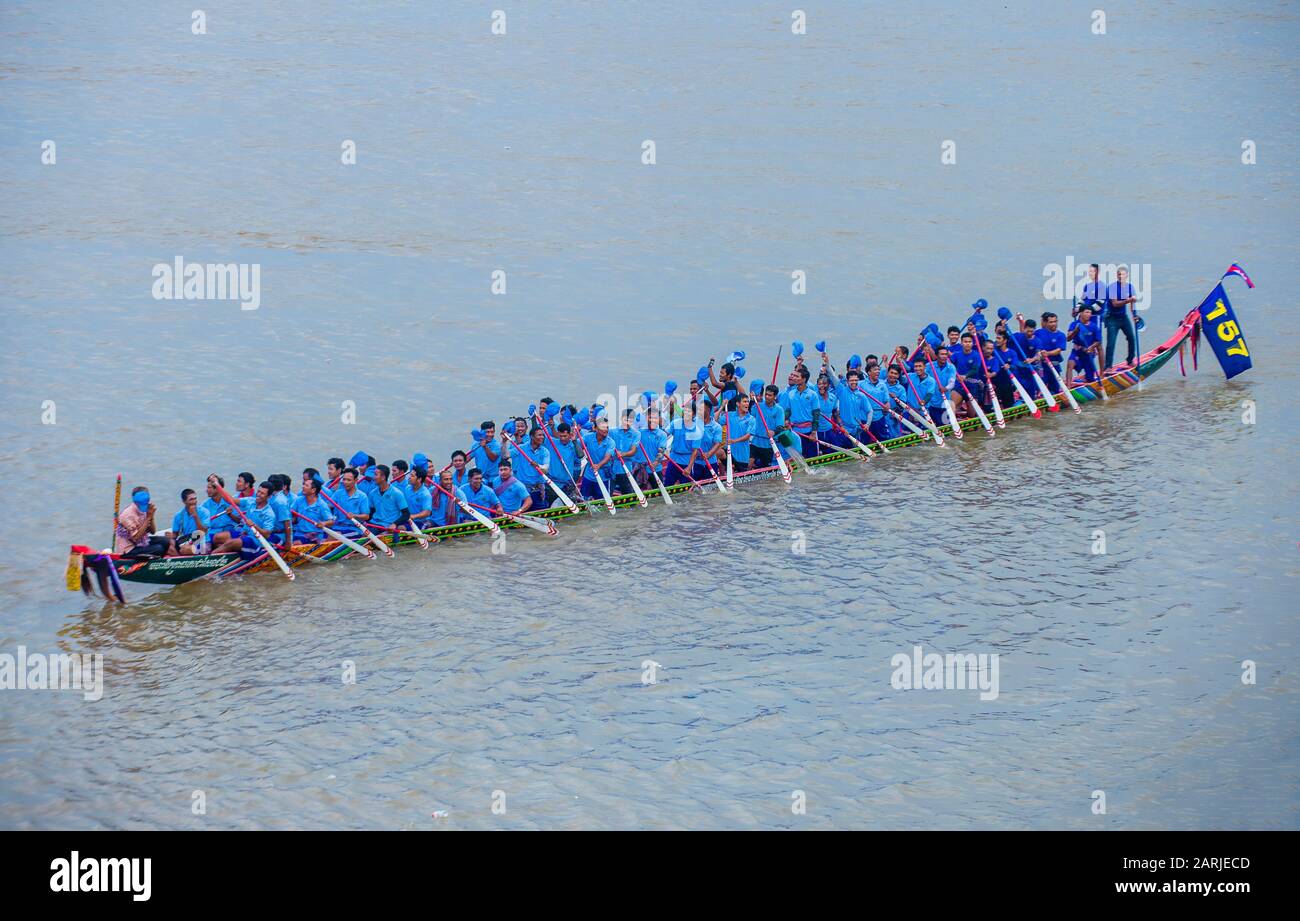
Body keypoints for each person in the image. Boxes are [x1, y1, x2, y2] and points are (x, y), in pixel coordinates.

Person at [113, 486, 168, 557]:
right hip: (129, 549)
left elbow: (153, 531)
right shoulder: (127, 515)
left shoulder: (145, 508)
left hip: (143, 541)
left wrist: (151, 516)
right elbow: (135, 538)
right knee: (159, 549)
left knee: (165, 541)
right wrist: (148, 518)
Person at [507, 425, 551, 510]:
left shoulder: (545, 451)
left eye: (543, 435)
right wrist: (504, 441)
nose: (542, 437)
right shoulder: (521, 448)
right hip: (523, 488)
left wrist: (537, 466)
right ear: (532, 437)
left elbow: (545, 469)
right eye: (539, 435)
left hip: (537, 488)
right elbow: (505, 455)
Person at [1103, 266, 1138, 370]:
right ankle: (1108, 366)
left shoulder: (1130, 287)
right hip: (1112, 318)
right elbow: (1115, 304)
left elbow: (1132, 303)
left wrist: (1134, 316)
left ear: (1126, 275)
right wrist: (1128, 300)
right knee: (1111, 342)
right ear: (1116, 276)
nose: (1121, 276)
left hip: (1123, 317)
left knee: (1131, 338)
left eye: (1123, 274)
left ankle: (1130, 360)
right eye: (1119, 274)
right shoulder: (1112, 287)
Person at [779, 366, 818, 457]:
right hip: (795, 431)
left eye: (797, 377)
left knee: (811, 458)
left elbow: (816, 415)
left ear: (804, 379)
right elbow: (788, 411)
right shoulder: (791, 394)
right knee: (797, 457)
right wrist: (784, 421)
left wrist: (813, 432)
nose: (794, 378)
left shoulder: (813, 394)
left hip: (809, 431)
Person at [580, 415, 617, 499]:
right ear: (595, 428)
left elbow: (607, 457)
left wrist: (598, 465)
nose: (606, 430)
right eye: (603, 427)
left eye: (607, 427)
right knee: (584, 499)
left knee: (602, 501)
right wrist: (574, 440)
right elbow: (578, 447)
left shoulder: (611, 442)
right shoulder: (588, 437)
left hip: (603, 475)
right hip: (589, 474)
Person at [290, 475, 336, 543]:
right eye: (303, 484)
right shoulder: (298, 500)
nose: (303, 487)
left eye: (306, 485)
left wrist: (323, 523)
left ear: (313, 490)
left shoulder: (321, 504)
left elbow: (331, 521)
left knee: (297, 544)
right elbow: (291, 514)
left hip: (314, 535)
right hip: (299, 533)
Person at [749, 384, 785, 470]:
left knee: (765, 468)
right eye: (766, 394)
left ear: (775, 397)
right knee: (749, 465)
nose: (767, 397)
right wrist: (752, 400)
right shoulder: (758, 405)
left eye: (770, 395)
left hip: (768, 445)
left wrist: (774, 432)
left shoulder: (779, 410)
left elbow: (780, 427)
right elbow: (749, 413)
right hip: (755, 442)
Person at [1066, 303, 1103, 383]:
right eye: (1086, 312)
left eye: (1090, 313)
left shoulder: (1094, 326)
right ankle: (1067, 389)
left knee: (1090, 378)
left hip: (1088, 353)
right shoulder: (1074, 324)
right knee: (1070, 364)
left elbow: (1098, 341)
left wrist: (1092, 347)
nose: (1088, 315)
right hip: (1077, 352)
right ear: (1081, 313)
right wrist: (1075, 331)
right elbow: (1068, 338)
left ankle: (1091, 378)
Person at [167, 488, 210, 555]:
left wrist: (195, 516)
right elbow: (175, 535)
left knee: (186, 550)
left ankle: (182, 558)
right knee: (168, 546)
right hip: (186, 542)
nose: (194, 501)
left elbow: (203, 531)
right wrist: (169, 537)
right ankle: (179, 561)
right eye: (191, 499)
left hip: (203, 542)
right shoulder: (178, 515)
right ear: (184, 501)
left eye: (195, 498)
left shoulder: (204, 512)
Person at [1033, 312, 1068, 392]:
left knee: (1055, 389)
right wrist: (1021, 322)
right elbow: (1028, 336)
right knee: (1038, 387)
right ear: (1046, 323)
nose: (1054, 324)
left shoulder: (1061, 335)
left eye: (1055, 321)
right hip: (1042, 366)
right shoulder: (1039, 332)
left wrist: (1048, 353)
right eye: (1051, 322)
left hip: (1054, 366)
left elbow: (1059, 350)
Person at [367, 465, 410, 531]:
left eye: (376, 475)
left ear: (383, 477)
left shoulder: (397, 493)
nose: (373, 477)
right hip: (374, 524)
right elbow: (371, 512)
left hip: (388, 526)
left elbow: (406, 514)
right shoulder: (372, 493)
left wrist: (395, 524)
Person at [330, 467, 371, 534]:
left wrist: (354, 516)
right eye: (344, 479)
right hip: (337, 527)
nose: (345, 482)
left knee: (332, 537)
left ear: (356, 480)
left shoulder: (362, 496)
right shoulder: (338, 493)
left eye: (349, 480)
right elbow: (329, 506)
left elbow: (366, 516)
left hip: (354, 529)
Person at [611, 409, 642, 495]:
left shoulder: (636, 434)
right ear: (621, 418)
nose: (628, 423)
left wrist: (623, 454)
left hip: (626, 468)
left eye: (630, 421)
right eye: (626, 420)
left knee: (627, 494)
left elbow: (633, 451)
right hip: (611, 468)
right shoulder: (612, 432)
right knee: (608, 492)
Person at [723, 393, 756, 472]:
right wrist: (722, 406)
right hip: (729, 453)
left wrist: (734, 441)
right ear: (738, 404)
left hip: (742, 457)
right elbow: (715, 420)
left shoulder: (751, 419)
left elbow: (748, 436)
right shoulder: (729, 415)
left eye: (748, 402)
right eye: (744, 402)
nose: (747, 404)